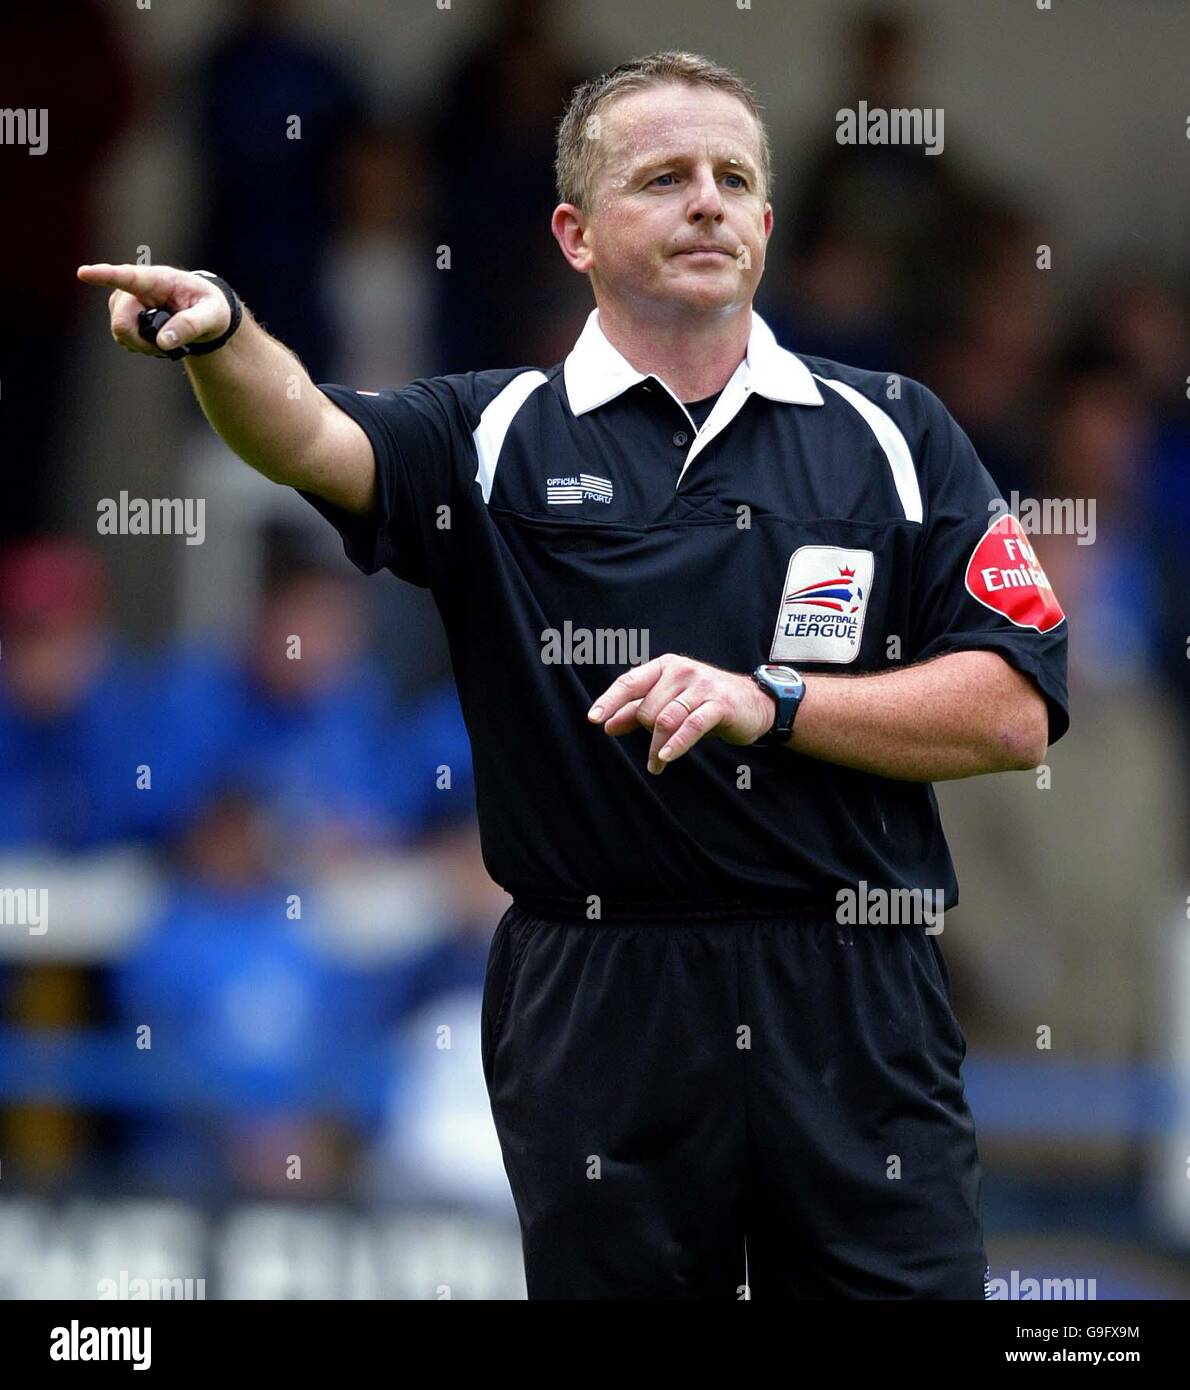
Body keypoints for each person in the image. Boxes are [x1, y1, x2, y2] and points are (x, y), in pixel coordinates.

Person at [78, 49, 1069, 1300]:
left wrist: (775, 702)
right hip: (598, 994)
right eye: (662, 177)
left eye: (731, 179)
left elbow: (1015, 705)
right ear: (574, 233)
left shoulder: (896, 431)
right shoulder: (485, 432)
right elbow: (306, 430)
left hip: (851, 988)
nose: (706, 201)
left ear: (767, 221)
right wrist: (220, 336)